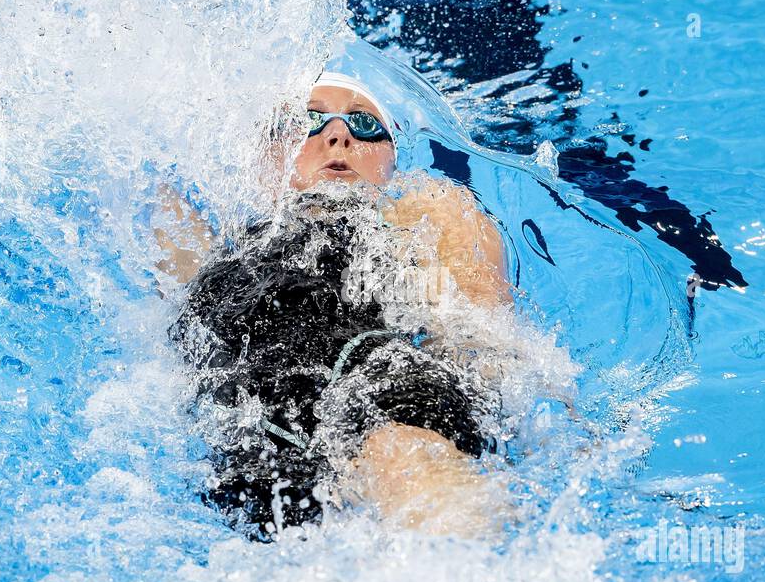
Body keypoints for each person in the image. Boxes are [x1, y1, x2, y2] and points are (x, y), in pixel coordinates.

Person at [155, 70, 515, 539]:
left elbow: (486, 342)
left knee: (402, 458)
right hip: (247, 429)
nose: (339, 134)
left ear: (390, 165)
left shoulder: (422, 216)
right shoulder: (220, 253)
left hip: (376, 381)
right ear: (265, 160)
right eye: (309, 120)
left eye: (366, 125)